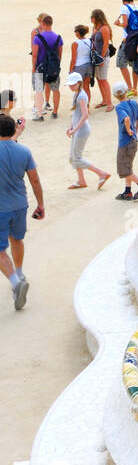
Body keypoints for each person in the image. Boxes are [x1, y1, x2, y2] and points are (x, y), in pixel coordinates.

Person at [0, 114, 44, 309]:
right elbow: (35, 180)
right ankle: (19, 272)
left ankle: (16, 283)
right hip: (20, 204)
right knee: (17, 239)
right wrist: (40, 204)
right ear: (12, 131)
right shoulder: (24, 151)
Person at [65, 73, 110, 190]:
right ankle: (81, 180)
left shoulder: (81, 96)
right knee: (72, 157)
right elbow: (75, 113)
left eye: (72, 84)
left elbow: (85, 115)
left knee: (77, 157)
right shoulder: (76, 94)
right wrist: (71, 127)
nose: (70, 86)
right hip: (77, 130)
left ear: (79, 83)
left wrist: (74, 129)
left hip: (81, 131)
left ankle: (101, 174)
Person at [113, 83, 138, 201]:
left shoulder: (119, 107)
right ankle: (127, 191)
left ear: (115, 95)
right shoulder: (133, 103)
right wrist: (135, 131)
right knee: (128, 166)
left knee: (123, 170)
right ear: (126, 91)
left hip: (125, 142)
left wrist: (128, 130)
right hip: (133, 140)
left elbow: (126, 119)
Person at [31, 15, 63, 120]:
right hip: (53, 68)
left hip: (41, 67)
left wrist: (33, 67)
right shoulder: (58, 37)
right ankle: (55, 112)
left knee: (39, 90)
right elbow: (59, 55)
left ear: (43, 24)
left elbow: (35, 54)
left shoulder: (37, 38)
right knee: (56, 89)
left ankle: (39, 115)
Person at [89, 9, 114, 109]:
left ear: (96, 18)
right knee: (99, 79)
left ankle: (110, 103)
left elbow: (105, 44)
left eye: (92, 17)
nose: (91, 18)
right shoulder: (95, 27)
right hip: (96, 57)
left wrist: (102, 58)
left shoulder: (104, 28)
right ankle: (104, 100)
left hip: (102, 57)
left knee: (103, 80)